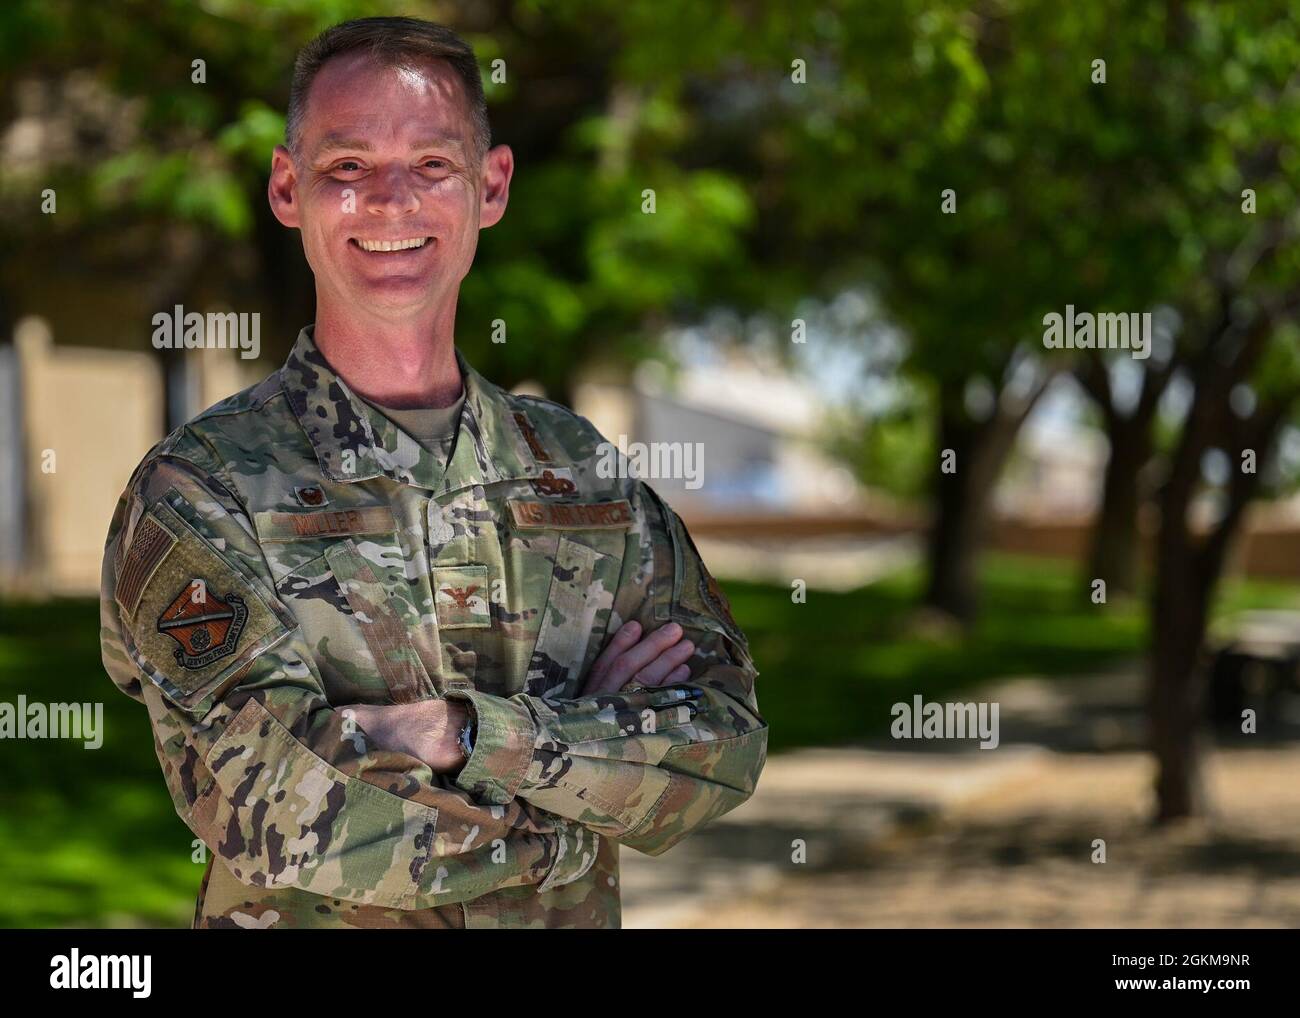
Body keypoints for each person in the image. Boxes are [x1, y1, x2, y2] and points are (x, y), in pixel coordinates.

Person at [99, 15, 767, 929]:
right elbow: (276, 807)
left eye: (431, 165)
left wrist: (458, 734)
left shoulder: (583, 475)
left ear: (490, 188)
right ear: (288, 190)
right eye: (347, 167)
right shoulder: (199, 491)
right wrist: (576, 806)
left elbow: (721, 746)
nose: (389, 202)